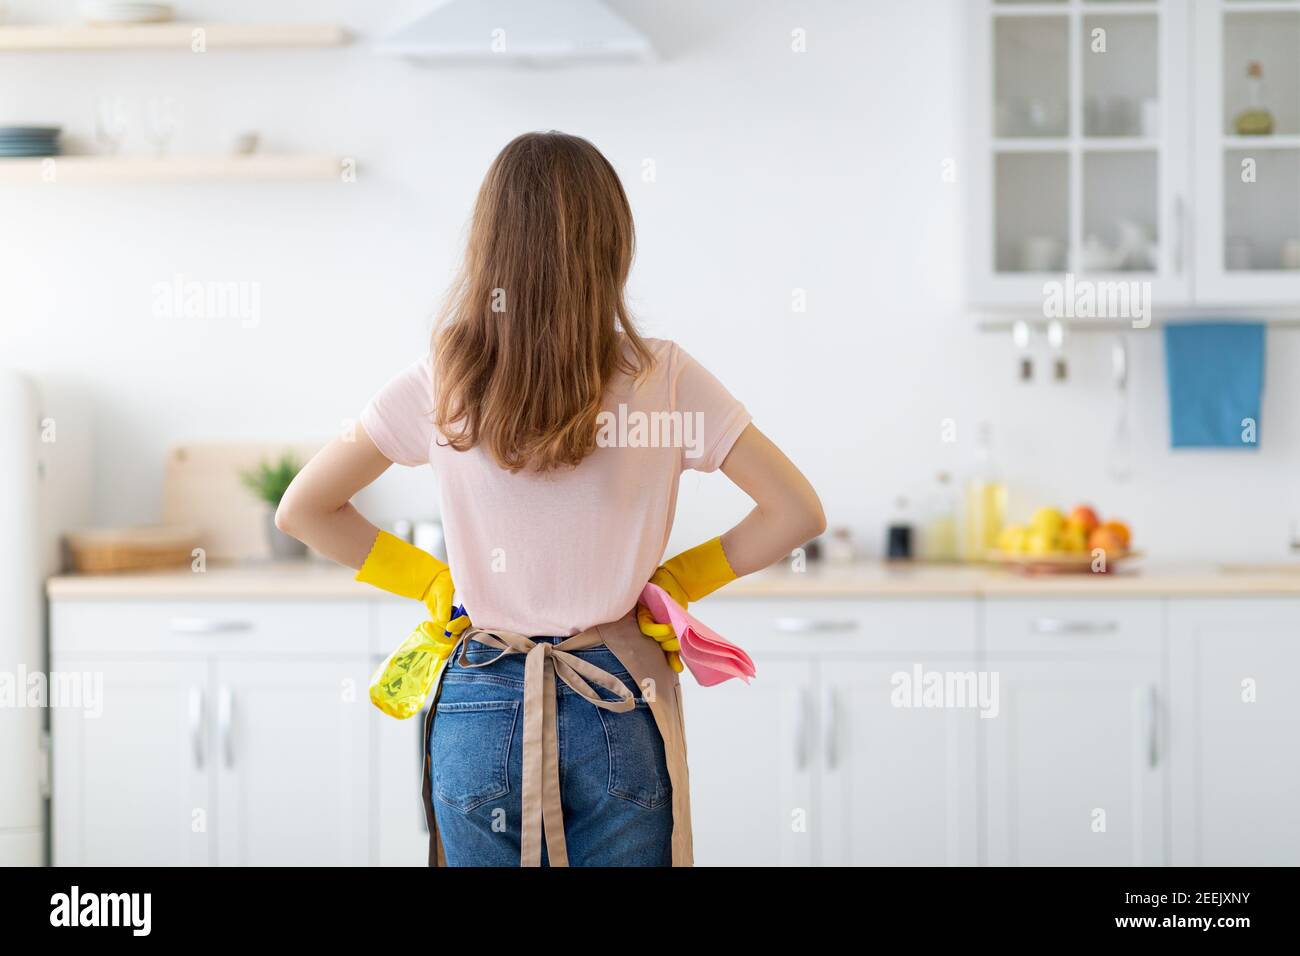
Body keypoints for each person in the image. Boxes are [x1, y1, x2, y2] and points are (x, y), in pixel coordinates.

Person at [275, 131, 824, 867]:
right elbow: (796, 512)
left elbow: (303, 509)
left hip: (478, 699)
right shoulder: (665, 377)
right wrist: (677, 581)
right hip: (616, 694)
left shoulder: (442, 376)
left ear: (488, 247)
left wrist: (431, 582)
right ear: (613, 246)